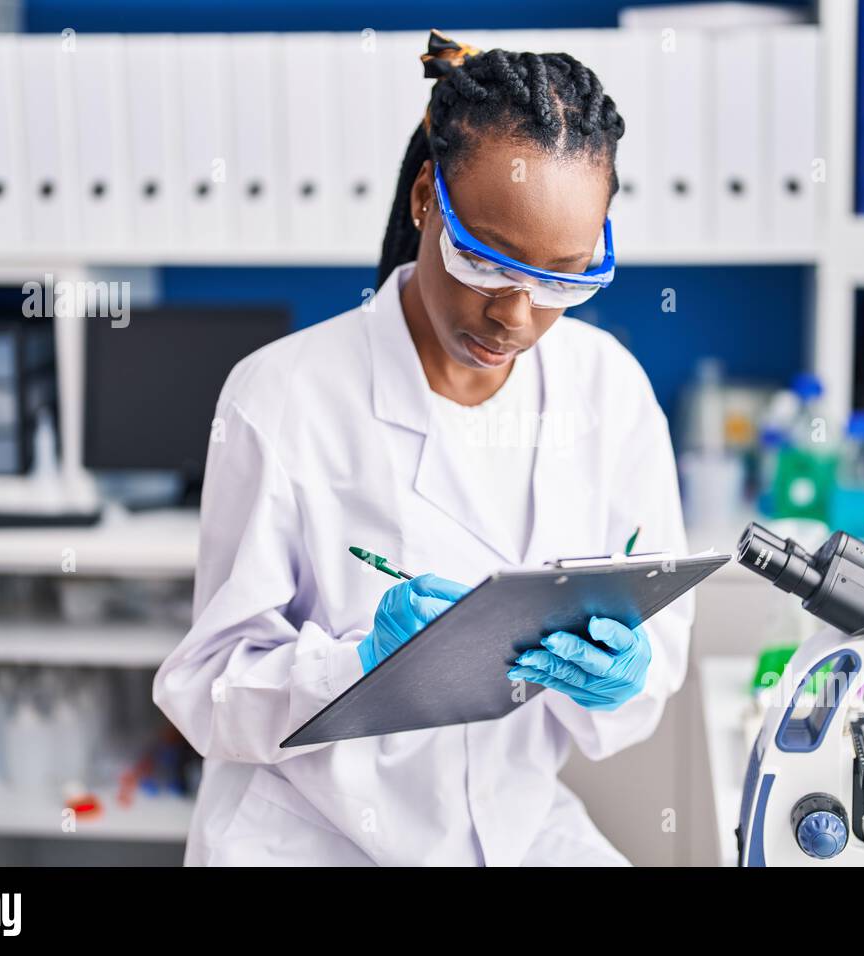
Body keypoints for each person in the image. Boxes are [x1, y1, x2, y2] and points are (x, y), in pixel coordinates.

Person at [154, 30, 692, 866]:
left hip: (515, 830)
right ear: (423, 201)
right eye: (486, 262)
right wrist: (358, 665)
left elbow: (649, 675)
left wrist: (623, 672)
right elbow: (207, 690)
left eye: (564, 278)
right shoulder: (281, 397)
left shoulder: (609, 392)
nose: (516, 315)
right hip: (312, 839)